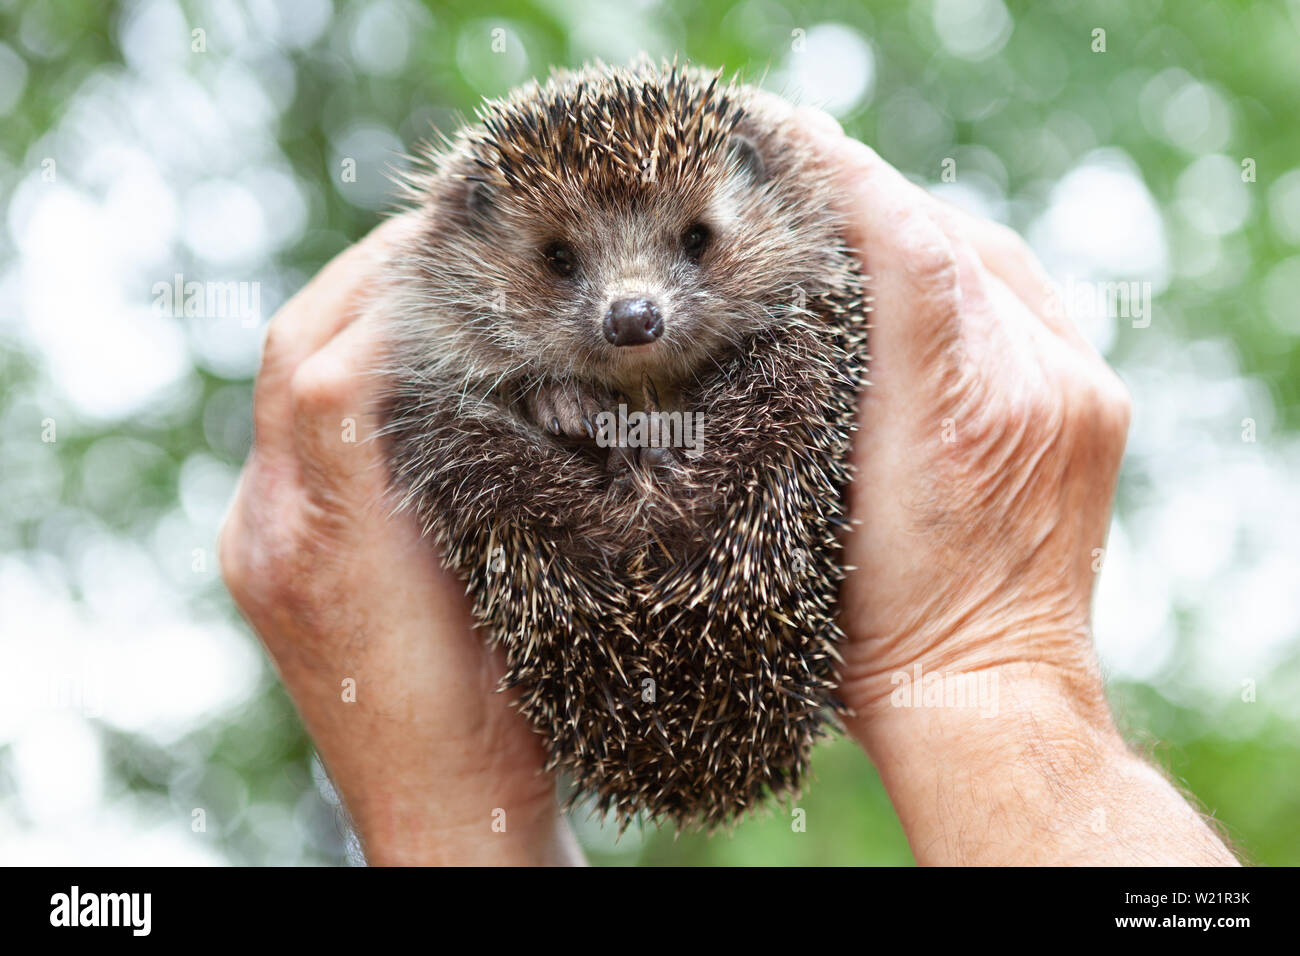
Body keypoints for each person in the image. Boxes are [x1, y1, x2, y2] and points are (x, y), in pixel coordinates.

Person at [218, 108, 1238, 866]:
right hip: (554, 502)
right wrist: (996, 665)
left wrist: (448, 828)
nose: (632, 304)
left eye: (690, 241)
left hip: (725, 475)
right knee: (453, 427)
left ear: (757, 199)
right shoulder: (467, 347)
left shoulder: (797, 312)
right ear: (475, 243)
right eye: (562, 261)